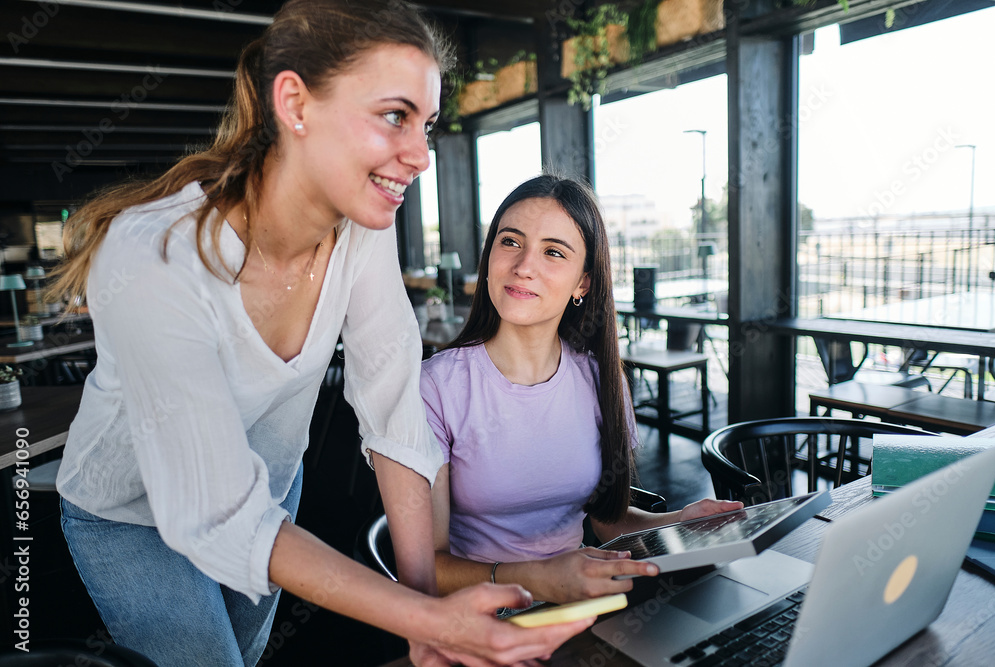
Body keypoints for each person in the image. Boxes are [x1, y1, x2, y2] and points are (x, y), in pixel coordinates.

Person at [48, 2, 591, 665]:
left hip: (270, 492)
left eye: (428, 124)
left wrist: (427, 616)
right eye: (396, 116)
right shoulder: (154, 254)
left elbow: (395, 410)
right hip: (131, 515)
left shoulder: (362, 230)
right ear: (295, 103)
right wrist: (429, 616)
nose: (421, 154)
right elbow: (218, 512)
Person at [421, 175, 742, 604]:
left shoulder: (599, 381)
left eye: (553, 252)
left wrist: (677, 521)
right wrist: (537, 579)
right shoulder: (436, 387)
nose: (524, 266)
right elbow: (426, 570)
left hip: (582, 610)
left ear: (583, 284)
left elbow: (608, 522)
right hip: (478, 622)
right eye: (510, 242)